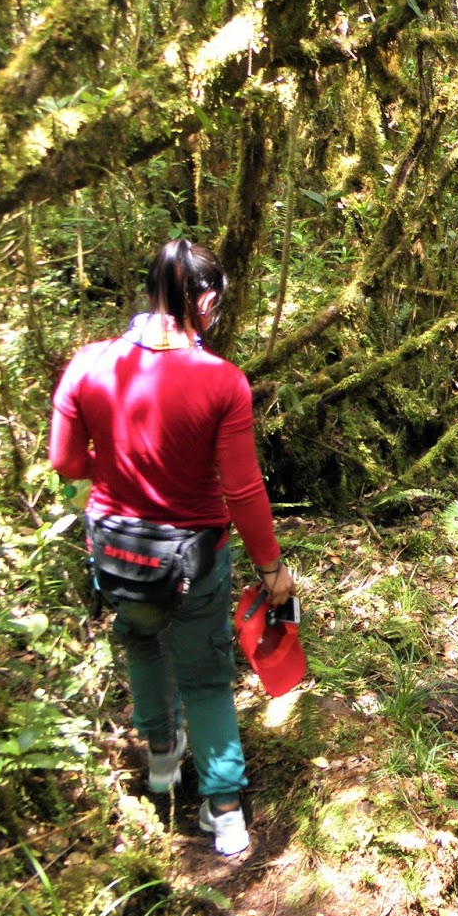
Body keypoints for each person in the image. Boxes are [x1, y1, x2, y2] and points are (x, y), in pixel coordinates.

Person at [49, 240, 296, 857]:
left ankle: (161, 757)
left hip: (115, 549)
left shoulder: (88, 364)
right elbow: (242, 489)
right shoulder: (222, 382)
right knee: (207, 677)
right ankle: (226, 812)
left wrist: (114, 468)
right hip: (195, 558)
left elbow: (65, 460)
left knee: (138, 641)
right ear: (205, 301)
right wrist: (271, 569)